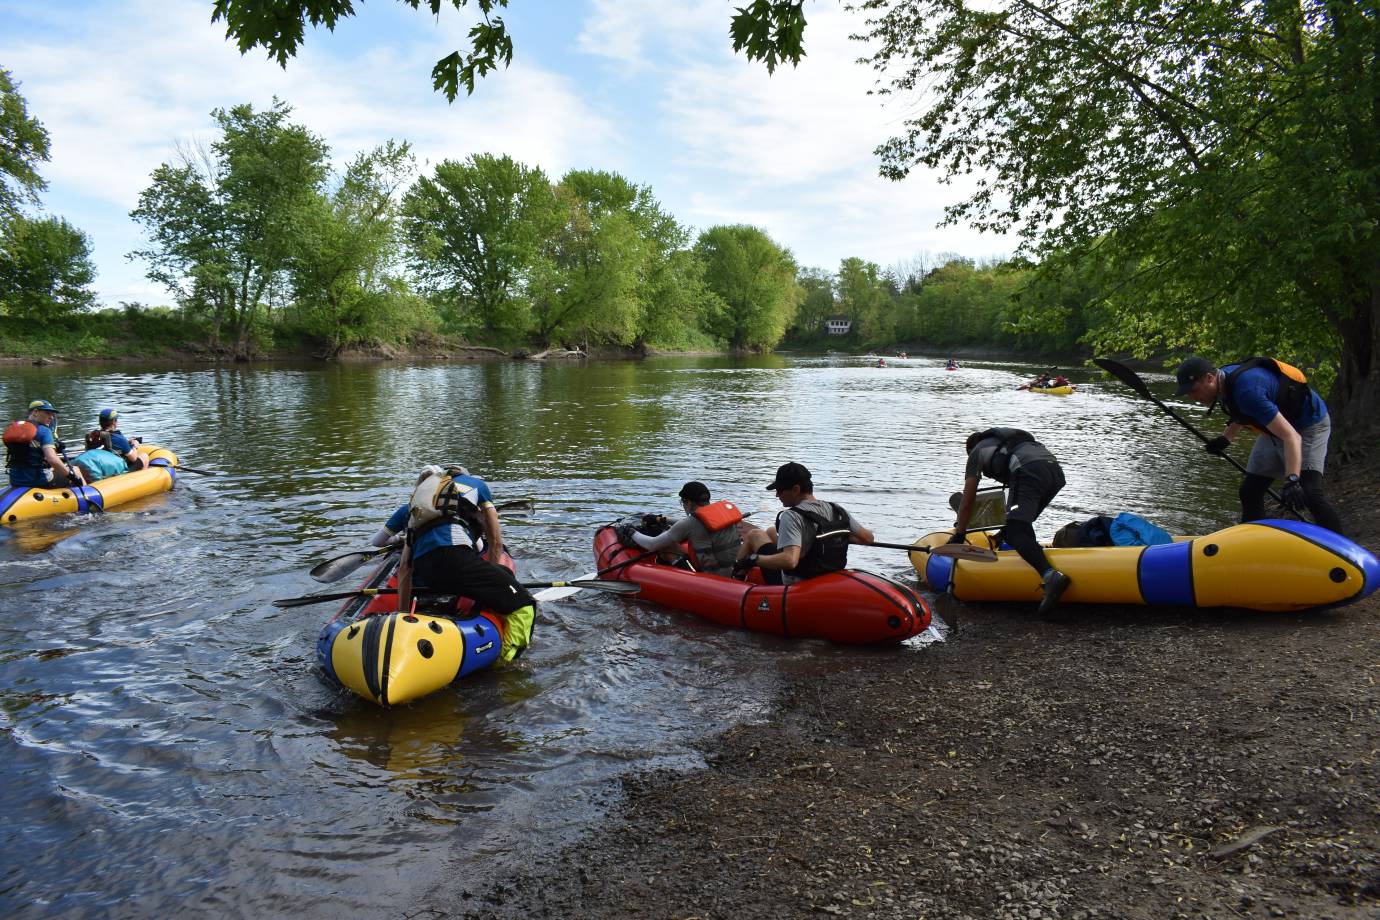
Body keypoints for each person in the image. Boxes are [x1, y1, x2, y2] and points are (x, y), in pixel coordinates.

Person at [370, 465, 536, 662]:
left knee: (478, 578)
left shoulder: (414, 508)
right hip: (456, 560)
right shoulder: (477, 485)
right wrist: (492, 577)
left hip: (426, 569)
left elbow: (405, 567)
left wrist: (404, 616)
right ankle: (504, 665)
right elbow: (496, 542)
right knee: (525, 605)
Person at [1174, 355, 1343, 533]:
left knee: (1310, 492)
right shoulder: (1223, 382)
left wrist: (1292, 479)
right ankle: (1253, 542)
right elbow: (1242, 411)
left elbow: (1292, 437)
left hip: (1307, 425)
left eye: (1193, 390)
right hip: (1276, 426)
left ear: (1209, 378)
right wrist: (1226, 438)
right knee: (1250, 491)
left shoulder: (1247, 390)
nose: (1192, 397)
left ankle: (1343, 550)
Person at [952, 428, 1070, 614]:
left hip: (1030, 470)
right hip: (1054, 472)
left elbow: (967, 500)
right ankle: (1041, 576)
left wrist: (960, 534)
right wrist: (1002, 533)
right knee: (1020, 525)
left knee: (1017, 531)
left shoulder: (976, 453)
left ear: (971, 448)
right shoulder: (1008, 443)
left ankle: (1051, 576)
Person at [737, 462, 875, 585]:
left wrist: (754, 559)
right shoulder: (837, 509)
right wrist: (837, 536)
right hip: (827, 577)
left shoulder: (791, 516)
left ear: (796, 489)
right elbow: (868, 538)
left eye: (779, 490)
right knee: (772, 531)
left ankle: (733, 579)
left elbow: (790, 561)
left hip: (797, 585)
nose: (777, 495)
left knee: (754, 535)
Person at [614, 481, 745, 577]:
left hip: (712, 578)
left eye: (683, 503)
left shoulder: (691, 523)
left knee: (666, 547)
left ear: (688, 502)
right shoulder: (721, 514)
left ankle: (668, 580)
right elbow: (691, 524)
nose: (683, 506)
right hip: (733, 572)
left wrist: (632, 532)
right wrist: (663, 519)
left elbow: (652, 544)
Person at [4, 399, 85, 488]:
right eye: (48, 413)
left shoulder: (16, 429)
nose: (52, 417)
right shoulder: (44, 431)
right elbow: (52, 459)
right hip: (38, 480)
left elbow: (28, 452)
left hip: (15, 479)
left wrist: (55, 449)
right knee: (75, 469)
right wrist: (72, 476)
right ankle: (87, 495)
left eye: (52, 414)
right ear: (35, 412)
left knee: (53, 468)